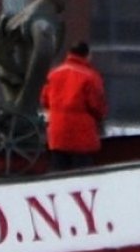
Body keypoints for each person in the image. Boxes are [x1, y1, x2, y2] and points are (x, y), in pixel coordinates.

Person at [40, 41, 106, 170]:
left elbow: (44, 100)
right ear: (87, 55)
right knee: (82, 173)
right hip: (82, 135)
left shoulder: (53, 74)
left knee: (58, 171)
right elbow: (97, 106)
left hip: (57, 133)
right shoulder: (91, 76)